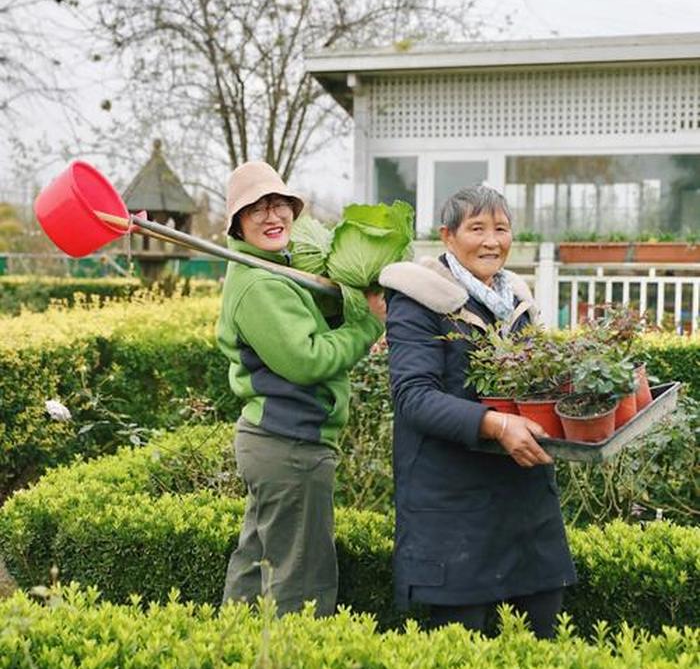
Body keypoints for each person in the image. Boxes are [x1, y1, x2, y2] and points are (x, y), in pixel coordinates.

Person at [379, 185, 576, 637]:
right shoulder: (418, 298)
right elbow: (413, 396)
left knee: (542, 641)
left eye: (501, 229)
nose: (492, 241)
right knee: (460, 654)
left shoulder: (517, 299)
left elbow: (534, 385)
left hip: (523, 501)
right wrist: (495, 424)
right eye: (477, 228)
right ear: (448, 237)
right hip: (455, 505)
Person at [218, 161, 386, 617]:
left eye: (279, 205)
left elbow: (314, 323)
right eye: (257, 210)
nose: (272, 217)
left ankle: (230, 659)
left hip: (274, 442)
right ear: (238, 223)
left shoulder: (275, 270)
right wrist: (370, 323)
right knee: (302, 579)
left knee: (257, 566)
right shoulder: (258, 285)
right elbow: (307, 360)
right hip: (290, 445)